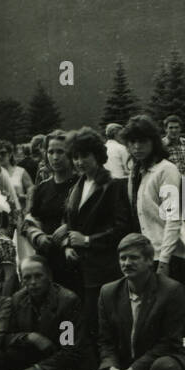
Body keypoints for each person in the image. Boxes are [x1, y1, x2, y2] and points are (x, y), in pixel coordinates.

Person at [82, 233, 185, 370]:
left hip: (160, 364)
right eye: (122, 258)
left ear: (150, 260)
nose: (127, 263)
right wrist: (113, 368)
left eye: (134, 258)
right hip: (125, 367)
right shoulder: (108, 293)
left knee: (165, 368)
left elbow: (169, 342)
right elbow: (105, 341)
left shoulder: (171, 290)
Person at [2, 257, 93, 370]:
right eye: (27, 278)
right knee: (10, 357)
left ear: (49, 277)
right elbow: (6, 336)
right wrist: (30, 337)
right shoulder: (17, 300)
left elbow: (70, 350)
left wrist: (35, 369)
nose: (33, 283)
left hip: (68, 363)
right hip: (39, 354)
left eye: (38, 276)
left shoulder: (67, 301)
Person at [117, 114, 185, 328]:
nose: (137, 147)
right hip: (144, 257)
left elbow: (173, 218)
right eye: (132, 142)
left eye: (143, 141)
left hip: (164, 256)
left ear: (153, 142)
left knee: (170, 327)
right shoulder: (136, 170)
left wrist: (165, 260)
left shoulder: (166, 170)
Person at [62, 128, 132, 342]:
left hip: (104, 268)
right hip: (80, 269)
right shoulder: (77, 186)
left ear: (98, 156)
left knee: (105, 325)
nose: (79, 162)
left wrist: (88, 240)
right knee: (86, 324)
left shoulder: (113, 186)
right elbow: (70, 221)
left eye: (85, 156)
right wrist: (67, 244)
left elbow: (122, 227)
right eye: (75, 157)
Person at [19, 132, 76, 283]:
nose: (55, 157)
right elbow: (28, 221)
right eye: (51, 152)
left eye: (60, 152)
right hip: (46, 258)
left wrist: (69, 227)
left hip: (73, 257)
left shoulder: (81, 184)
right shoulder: (42, 188)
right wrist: (38, 236)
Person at [0, 140, 30, 209]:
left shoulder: (20, 171)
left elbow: (31, 189)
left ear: (10, 154)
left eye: (3, 153)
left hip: (19, 209)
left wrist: (25, 198)